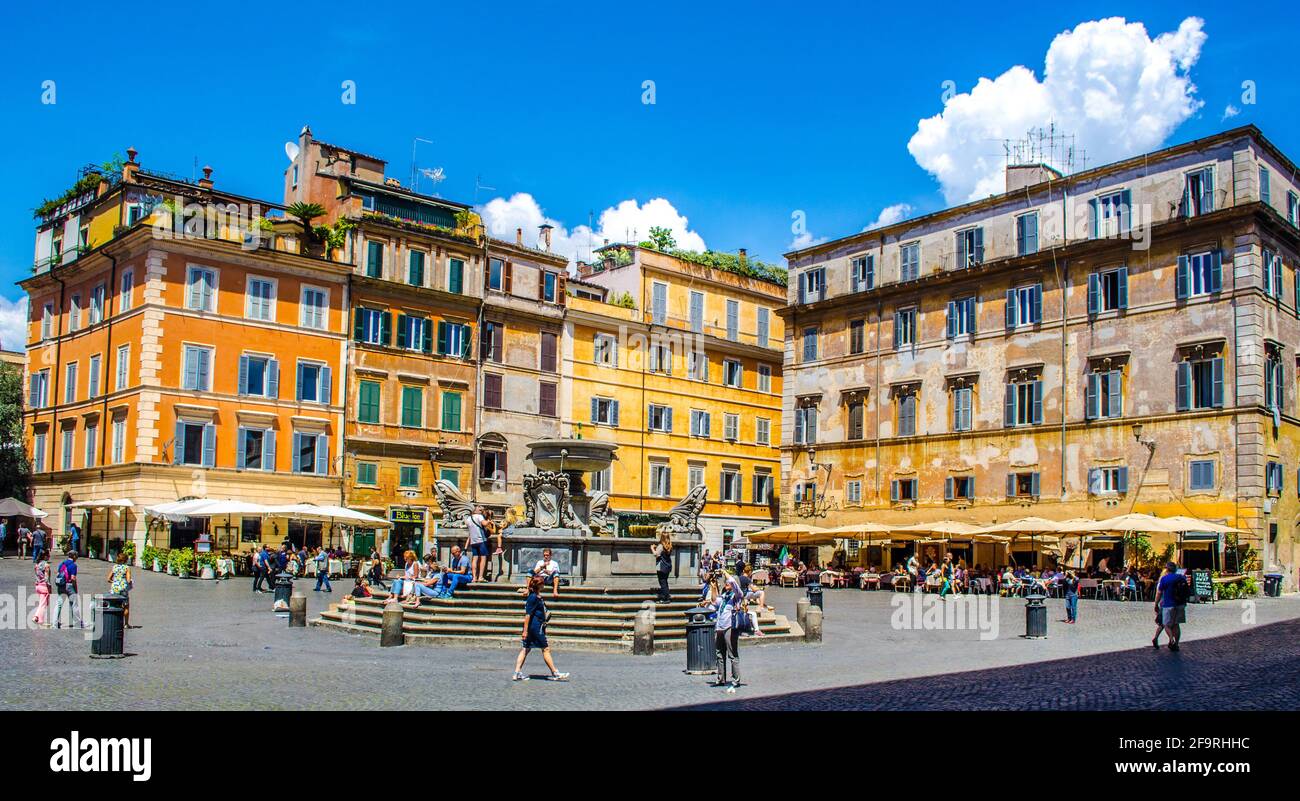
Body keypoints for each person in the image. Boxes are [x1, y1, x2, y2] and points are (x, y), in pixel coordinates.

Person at [512, 576, 569, 682]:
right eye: (542, 583)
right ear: (539, 585)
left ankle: (517, 673)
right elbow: (528, 615)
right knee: (545, 649)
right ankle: (555, 672)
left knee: (525, 649)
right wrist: (525, 631)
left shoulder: (536, 596)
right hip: (535, 627)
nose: (544, 585)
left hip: (535, 626)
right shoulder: (533, 597)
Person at [706, 571, 744, 692]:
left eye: (728, 582)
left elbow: (732, 581)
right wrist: (713, 587)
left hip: (730, 627)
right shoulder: (724, 596)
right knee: (719, 653)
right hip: (720, 627)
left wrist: (724, 572)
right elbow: (714, 601)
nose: (726, 583)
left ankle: (735, 679)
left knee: (732, 654)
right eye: (725, 582)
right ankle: (721, 678)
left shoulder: (737, 595)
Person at [1155, 561, 1188, 651]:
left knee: (1166, 624)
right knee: (1176, 625)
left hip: (1168, 604)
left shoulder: (1165, 579)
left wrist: (1156, 604)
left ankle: (1171, 639)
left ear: (1167, 569)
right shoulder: (1181, 578)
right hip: (1180, 604)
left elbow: (1159, 592)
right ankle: (1176, 644)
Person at [54, 551, 83, 629]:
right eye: (76, 556)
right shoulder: (73, 565)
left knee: (59, 604)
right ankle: (77, 623)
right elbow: (73, 578)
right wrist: (75, 588)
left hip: (61, 585)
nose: (77, 558)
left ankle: (54, 623)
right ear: (73, 556)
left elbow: (57, 574)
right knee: (74, 604)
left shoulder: (62, 564)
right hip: (69, 585)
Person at [465, 506, 491, 582]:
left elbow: (469, 531)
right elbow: (484, 523)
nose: (482, 511)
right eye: (481, 510)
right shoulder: (479, 516)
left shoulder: (469, 518)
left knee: (475, 559)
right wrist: (489, 521)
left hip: (473, 541)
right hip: (481, 540)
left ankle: (474, 578)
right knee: (483, 558)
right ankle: (480, 577)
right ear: (479, 511)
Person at [108, 551, 133, 628]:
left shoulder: (114, 567)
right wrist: (130, 582)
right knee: (126, 606)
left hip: (114, 588)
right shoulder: (126, 568)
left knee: (114, 605)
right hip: (123, 588)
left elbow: (108, 579)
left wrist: (115, 582)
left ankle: (114, 621)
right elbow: (128, 580)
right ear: (125, 560)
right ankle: (126, 624)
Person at [651, 531, 673, 604]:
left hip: (661, 566)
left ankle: (665, 599)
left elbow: (656, 555)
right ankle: (666, 596)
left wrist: (652, 548)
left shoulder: (661, 546)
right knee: (665, 581)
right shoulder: (669, 545)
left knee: (662, 582)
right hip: (667, 565)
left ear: (662, 537)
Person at [31, 548, 50, 627]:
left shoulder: (37, 565)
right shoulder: (46, 565)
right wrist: (49, 587)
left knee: (42, 603)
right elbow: (46, 578)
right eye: (48, 555)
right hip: (44, 586)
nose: (49, 556)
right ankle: (37, 618)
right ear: (45, 556)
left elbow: (36, 576)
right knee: (43, 604)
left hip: (38, 585)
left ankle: (38, 618)